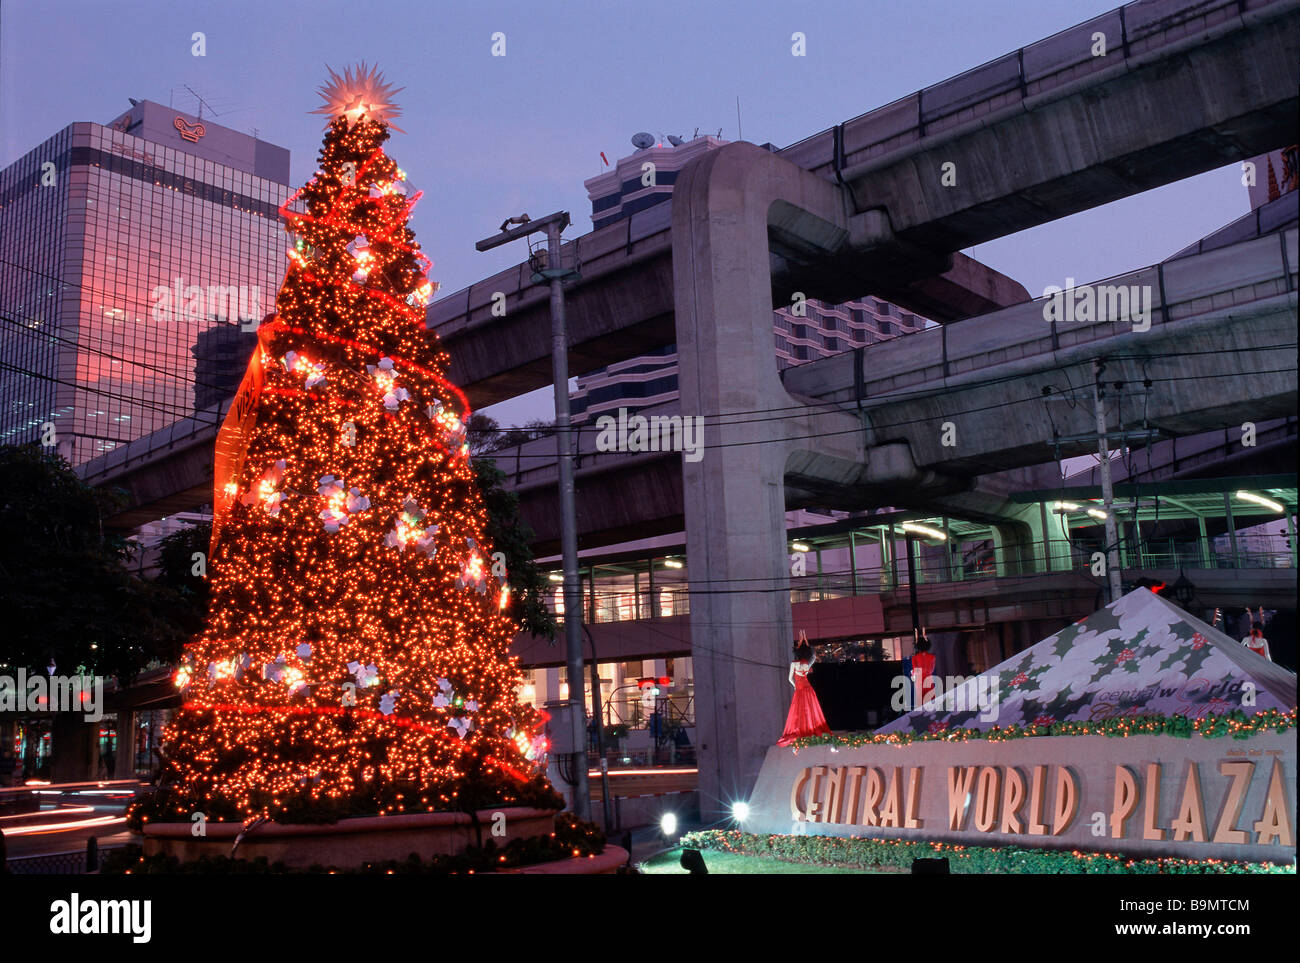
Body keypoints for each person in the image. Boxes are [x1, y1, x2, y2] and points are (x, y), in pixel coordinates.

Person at [777, 633, 831, 747]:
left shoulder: (794, 664)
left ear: (796, 652)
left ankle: (803, 731)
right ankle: (811, 730)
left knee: (799, 711)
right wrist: (806, 641)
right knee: (810, 710)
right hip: (808, 689)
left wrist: (794, 685)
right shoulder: (807, 663)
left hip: (800, 689)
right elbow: (814, 657)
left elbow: (789, 679)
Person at [912, 636, 937, 705]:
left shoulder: (915, 658)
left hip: (919, 679)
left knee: (921, 700)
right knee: (931, 698)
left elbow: (915, 670)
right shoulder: (932, 657)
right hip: (928, 677)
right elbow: (931, 670)